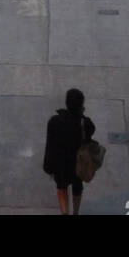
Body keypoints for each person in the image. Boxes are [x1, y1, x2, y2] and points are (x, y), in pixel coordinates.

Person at [43, 88, 95, 216]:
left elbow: (50, 145)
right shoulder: (84, 123)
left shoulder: (54, 122)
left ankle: (64, 212)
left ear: (66, 103)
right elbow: (91, 130)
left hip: (60, 163)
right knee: (77, 188)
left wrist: (49, 166)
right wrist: (82, 115)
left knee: (61, 187)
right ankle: (76, 212)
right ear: (81, 105)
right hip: (78, 163)